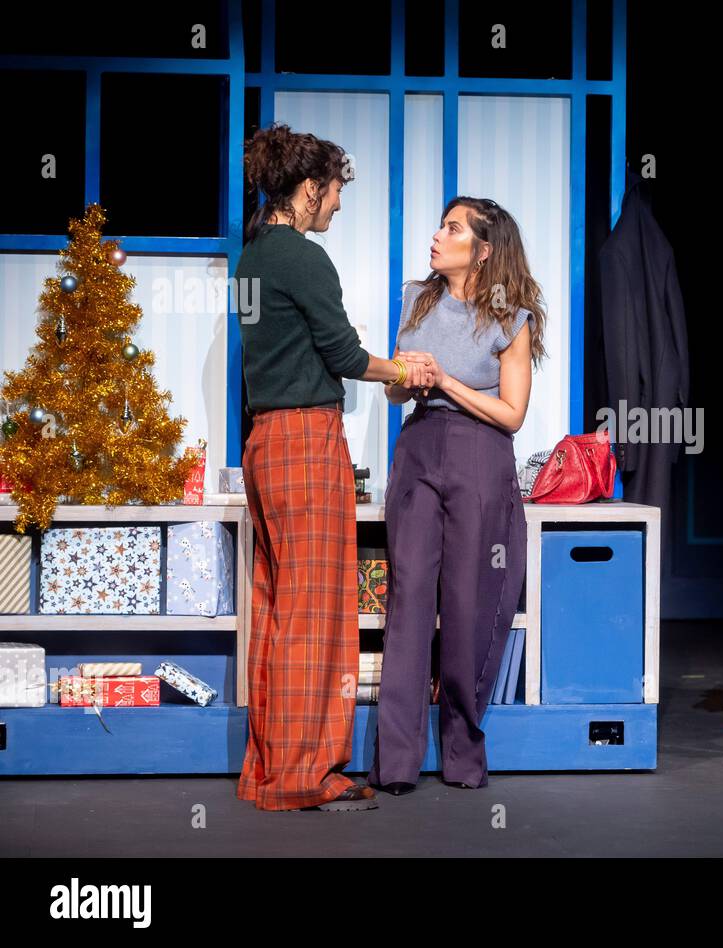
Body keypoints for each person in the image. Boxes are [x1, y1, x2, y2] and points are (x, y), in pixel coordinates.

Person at [234, 122, 437, 812]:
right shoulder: (300, 257)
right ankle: (303, 775)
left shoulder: (253, 254)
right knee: (316, 616)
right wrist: (407, 369)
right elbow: (346, 357)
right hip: (303, 439)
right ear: (310, 188)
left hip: (265, 441)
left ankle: (269, 769)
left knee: (278, 609)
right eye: (337, 192)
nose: (340, 206)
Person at [368, 196, 546, 792]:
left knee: (469, 606)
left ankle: (463, 756)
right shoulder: (416, 299)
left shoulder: (510, 318)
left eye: (452, 228)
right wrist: (406, 379)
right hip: (419, 447)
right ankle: (395, 762)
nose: (436, 236)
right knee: (409, 596)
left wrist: (444, 378)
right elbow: (394, 394)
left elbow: (513, 414)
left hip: (479, 456)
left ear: (484, 248)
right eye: (441, 225)